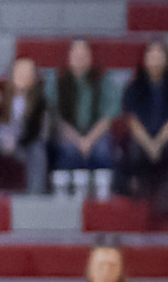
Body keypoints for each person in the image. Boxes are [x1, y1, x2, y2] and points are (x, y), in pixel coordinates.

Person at [116, 36, 168, 209]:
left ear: (167, 58)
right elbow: (133, 122)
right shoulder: (133, 88)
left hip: (166, 142)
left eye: (160, 54)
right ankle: (137, 182)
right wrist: (149, 144)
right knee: (132, 142)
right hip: (143, 142)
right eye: (151, 54)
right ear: (144, 58)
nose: (155, 58)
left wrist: (157, 143)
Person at [50, 37, 120, 198]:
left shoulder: (103, 81)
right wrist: (78, 140)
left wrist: (89, 140)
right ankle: (65, 192)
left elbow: (110, 115)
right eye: (76, 53)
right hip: (69, 136)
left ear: (90, 57)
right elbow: (56, 118)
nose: (80, 57)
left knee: (102, 148)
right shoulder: (58, 83)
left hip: (95, 136)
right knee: (66, 148)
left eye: (84, 53)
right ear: (69, 56)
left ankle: (102, 192)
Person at [0, 56, 50, 193]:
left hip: (21, 142)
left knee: (37, 148)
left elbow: (35, 131)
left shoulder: (38, 101)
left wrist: (17, 141)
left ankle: (36, 191)